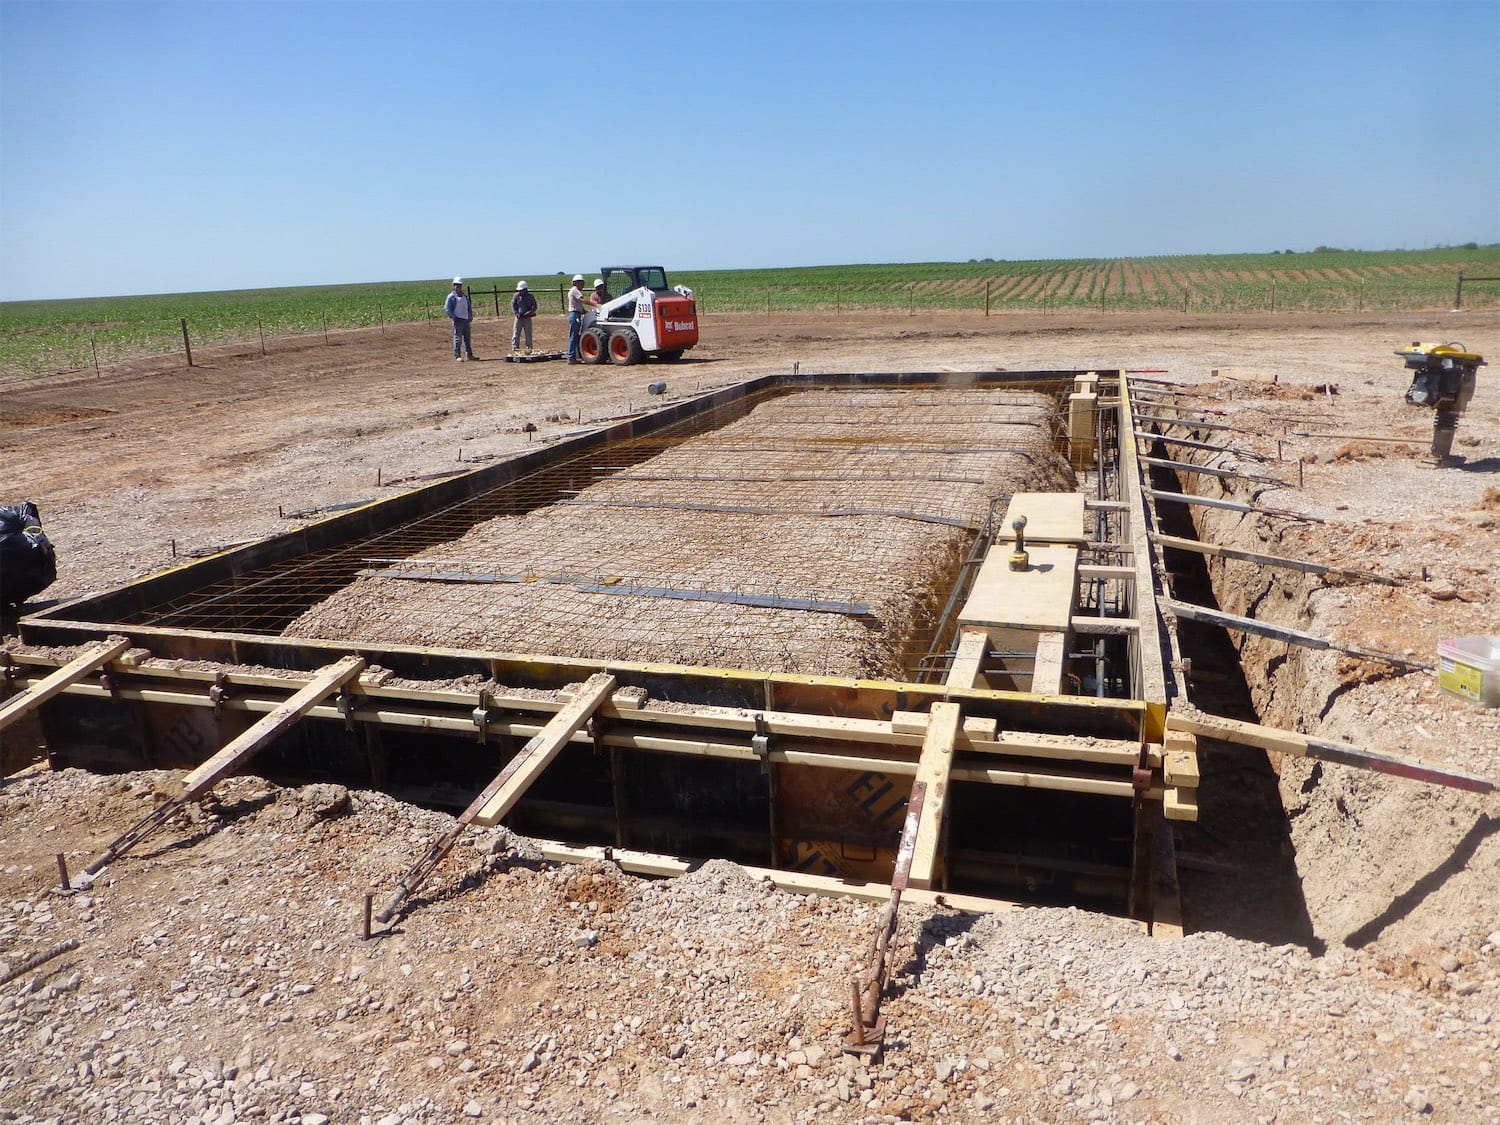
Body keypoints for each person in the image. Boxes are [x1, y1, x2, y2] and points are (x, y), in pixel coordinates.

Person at [444, 277, 477, 361]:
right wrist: (454, 318)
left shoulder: (464, 296)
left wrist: (470, 316)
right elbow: (447, 309)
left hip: (466, 320)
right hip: (458, 320)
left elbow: (468, 307)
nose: (458, 287)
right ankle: (457, 355)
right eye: (456, 285)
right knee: (458, 339)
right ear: (453, 286)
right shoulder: (451, 297)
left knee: (467, 339)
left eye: (459, 285)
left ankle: (469, 355)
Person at [510, 281, 537, 354]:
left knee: (528, 333)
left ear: (525, 290)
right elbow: (513, 305)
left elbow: (534, 306)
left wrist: (529, 312)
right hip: (518, 317)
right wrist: (516, 313)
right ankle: (515, 347)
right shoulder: (516, 296)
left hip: (527, 317)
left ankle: (529, 347)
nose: (520, 291)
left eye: (521, 290)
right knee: (516, 332)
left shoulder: (530, 296)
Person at [566, 274, 588, 363]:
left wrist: (585, 312)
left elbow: (578, 305)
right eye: (582, 283)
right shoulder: (575, 291)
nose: (583, 285)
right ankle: (571, 357)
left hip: (575, 314)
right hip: (575, 315)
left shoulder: (573, 291)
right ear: (577, 283)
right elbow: (582, 300)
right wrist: (595, 305)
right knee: (574, 335)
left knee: (574, 335)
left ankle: (573, 356)